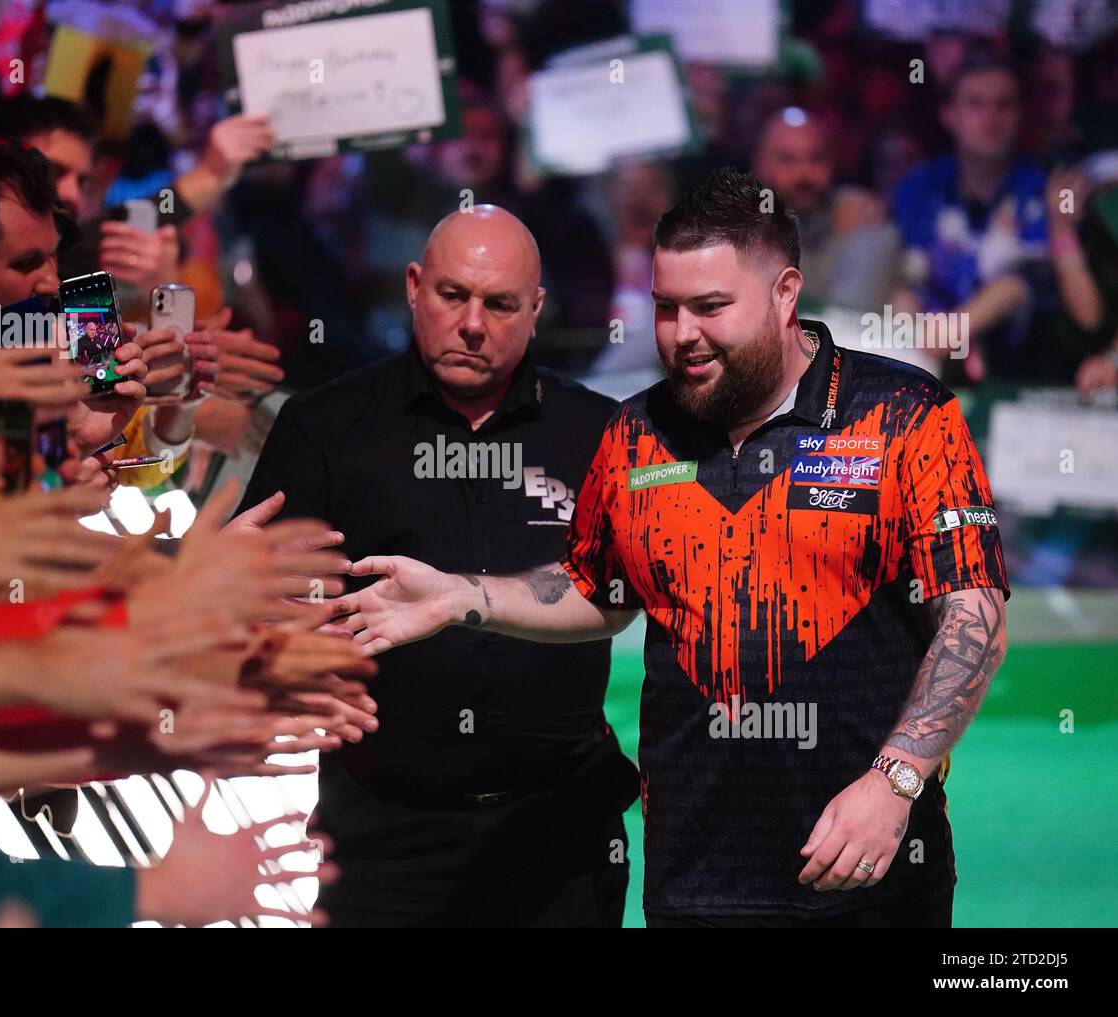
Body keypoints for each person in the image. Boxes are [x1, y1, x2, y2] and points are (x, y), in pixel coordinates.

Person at [333, 169, 1010, 928]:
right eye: (665, 307)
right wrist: (467, 597)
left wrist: (895, 782)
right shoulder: (635, 432)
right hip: (695, 878)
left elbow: (973, 614)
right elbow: (596, 587)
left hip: (871, 873)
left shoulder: (906, 415)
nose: (682, 333)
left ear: (786, 294)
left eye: (711, 307)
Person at [238, 204, 639, 927]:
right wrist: (279, 627)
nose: (474, 323)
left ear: (537, 308)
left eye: (500, 303)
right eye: (454, 295)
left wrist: (461, 597)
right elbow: (261, 602)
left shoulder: (598, 431)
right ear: (415, 287)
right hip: (383, 833)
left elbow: (619, 592)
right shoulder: (325, 425)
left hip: (561, 830)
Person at [890, 53, 1049, 382]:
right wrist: (905, 345)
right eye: (975, 104)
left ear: (1021, 115)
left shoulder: (1043, 192)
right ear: (949, 114)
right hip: (924, 357)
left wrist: (950, 332)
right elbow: (905, 282)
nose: (991, 117)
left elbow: (1020, 286)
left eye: (1004, 105)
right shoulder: (920, 186)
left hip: (1017, 371)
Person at [752, 107, 900, 314]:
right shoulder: (735, 230)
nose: (803, 174)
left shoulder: (863, 221)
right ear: (760, 164)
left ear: (833, 163)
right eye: (787, 159)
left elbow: (847, 326)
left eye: (816, 158)